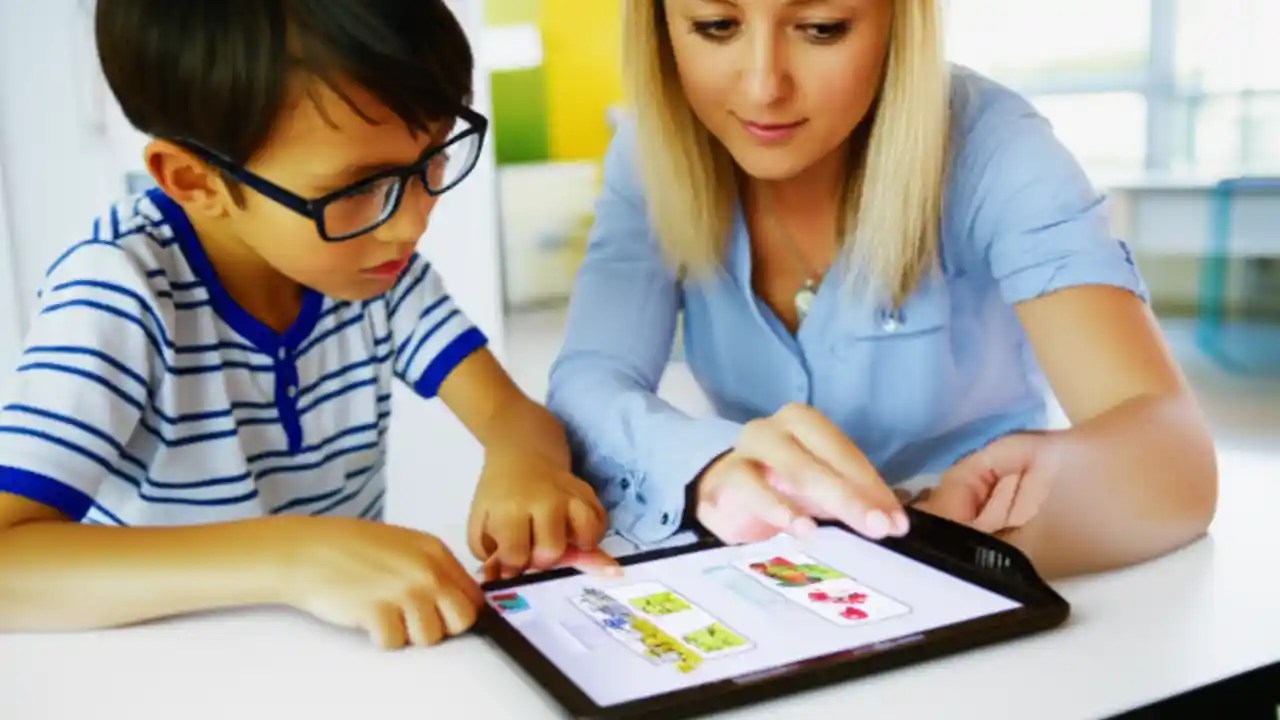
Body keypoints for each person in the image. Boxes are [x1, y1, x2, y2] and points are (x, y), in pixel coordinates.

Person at [0, 0, 613, 649]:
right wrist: (293, 557)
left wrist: (524, 463)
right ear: (193, 179)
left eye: (433, 157)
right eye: (357, 189)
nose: (412, 222)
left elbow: (509, 414)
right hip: (167, 670)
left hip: (330, 660)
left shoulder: (378, 272)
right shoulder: (118, 291)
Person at [548, 0, 1218, 579]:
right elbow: (587, 385)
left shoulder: (996, 147)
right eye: (716, 25)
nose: (762, 88)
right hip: (773, 579)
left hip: (975, 570)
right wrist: (708, 465)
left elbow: (1173, 459)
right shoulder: (647, 152)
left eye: (822, 28)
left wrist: (947, 531)